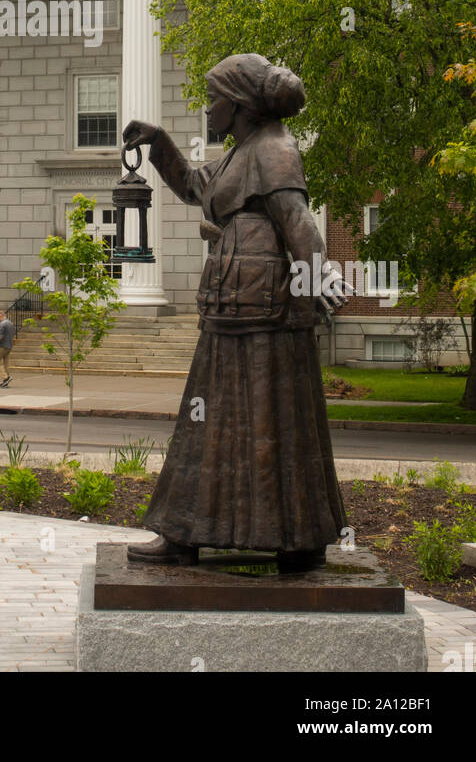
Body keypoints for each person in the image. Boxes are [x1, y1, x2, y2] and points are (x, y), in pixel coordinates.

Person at [124, 52, 352, 572]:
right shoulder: (239, 154)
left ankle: (296, 540)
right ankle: (185, 533)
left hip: (268, 314)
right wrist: (159, 143)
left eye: (213, 100)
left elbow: (298, 220)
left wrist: (317, 277)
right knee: (208, 423)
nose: (207, 110)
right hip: (234, 310)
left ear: (240, 105)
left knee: (278, 421)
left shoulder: (273, 151)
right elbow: (192, 188)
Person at [0, 309, 15, 388]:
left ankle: (6, 377)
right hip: (9, 345)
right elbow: (9, 334)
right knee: (6, 363)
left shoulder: (2, 324)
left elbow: (1, 337)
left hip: (3, 346)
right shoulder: (10, 323)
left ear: (0, 316)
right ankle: (6, 381)